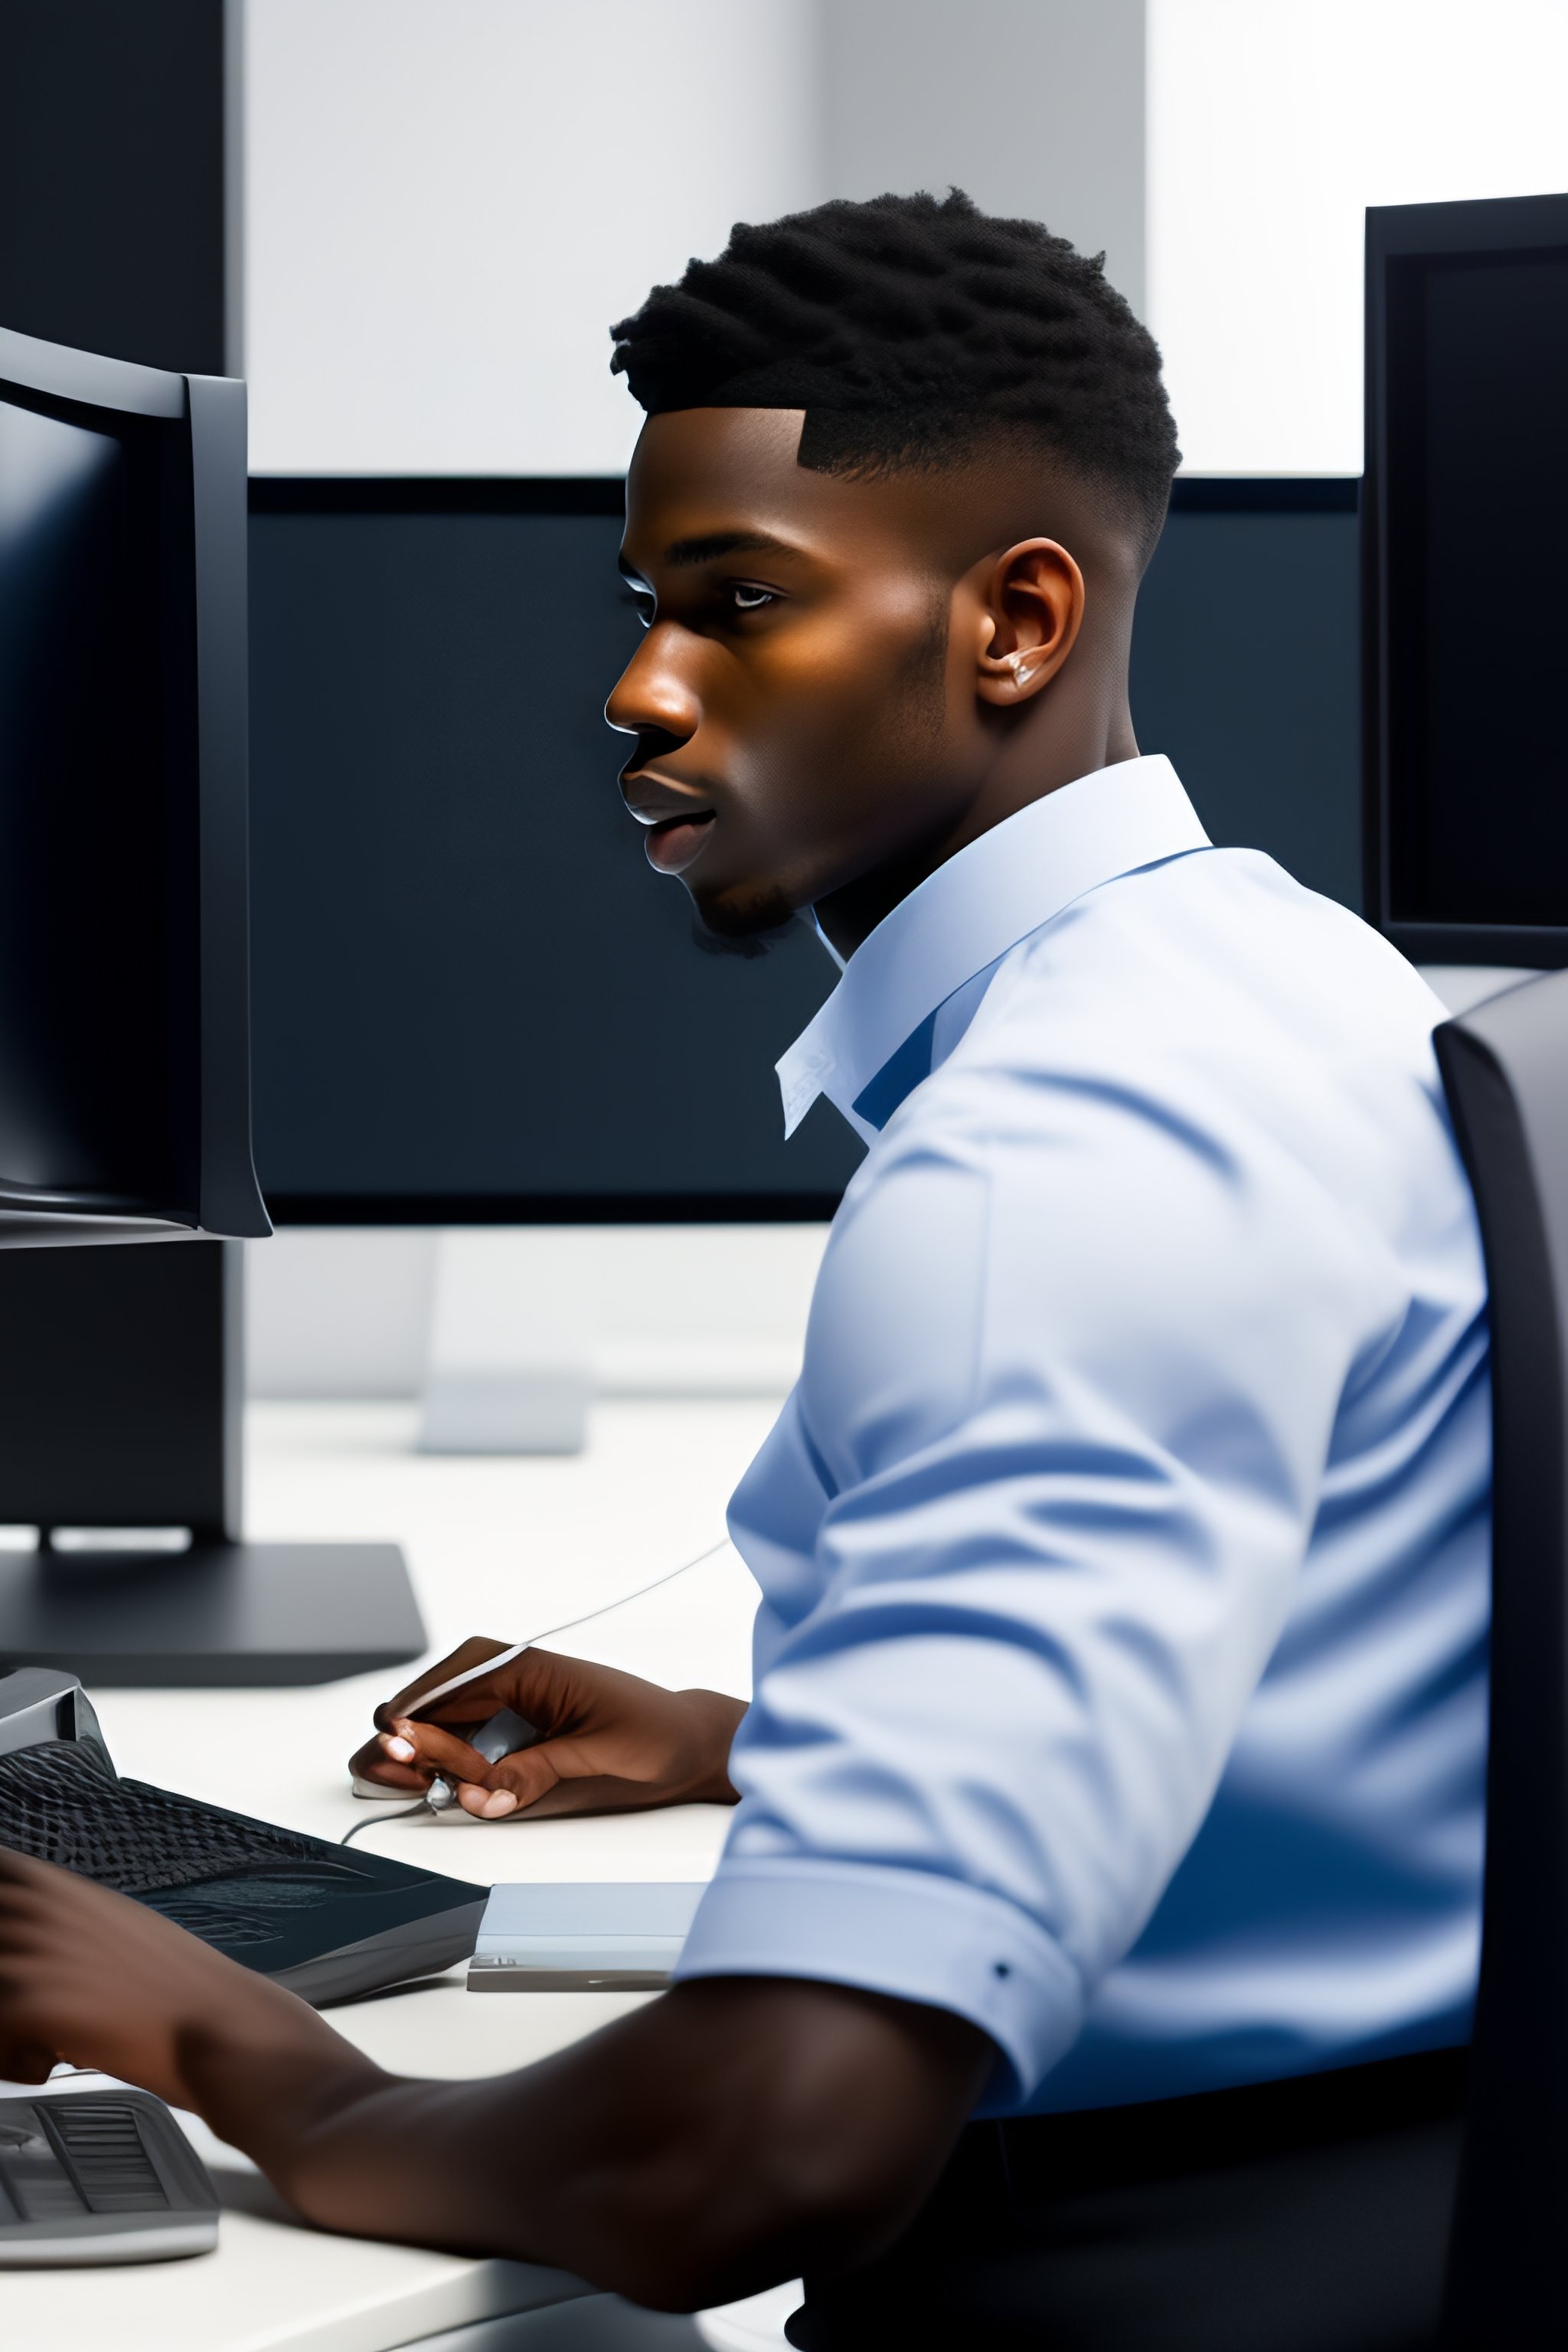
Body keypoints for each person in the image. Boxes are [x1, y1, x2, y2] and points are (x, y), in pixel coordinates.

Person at [0, 193, 1488, 2347]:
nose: (637, 688)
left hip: (1113, 2277)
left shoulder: (1042, 1172)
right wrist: (769, 1741)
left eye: (742, 605)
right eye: (646, 603)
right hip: (1366, 2209)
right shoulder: (1281, 973)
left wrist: (263, 2062)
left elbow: (767, 2142)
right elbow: (1338, 1663)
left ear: (1015, 622)